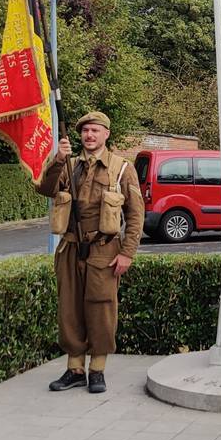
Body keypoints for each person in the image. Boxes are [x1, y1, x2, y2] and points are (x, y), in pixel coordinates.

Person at [35, 111, 143, 394]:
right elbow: (45, 189)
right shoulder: (69, 166)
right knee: (70, 308)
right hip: (71, 248)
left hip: (104, 250)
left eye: (95, 130)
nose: (89, 135)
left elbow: (135, 215)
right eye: (85, 131)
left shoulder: (121, 168)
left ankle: (97, 369)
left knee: (101, 309)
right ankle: (74, 369)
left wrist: (127, 253)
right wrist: (58, 159)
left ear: (106, 134)